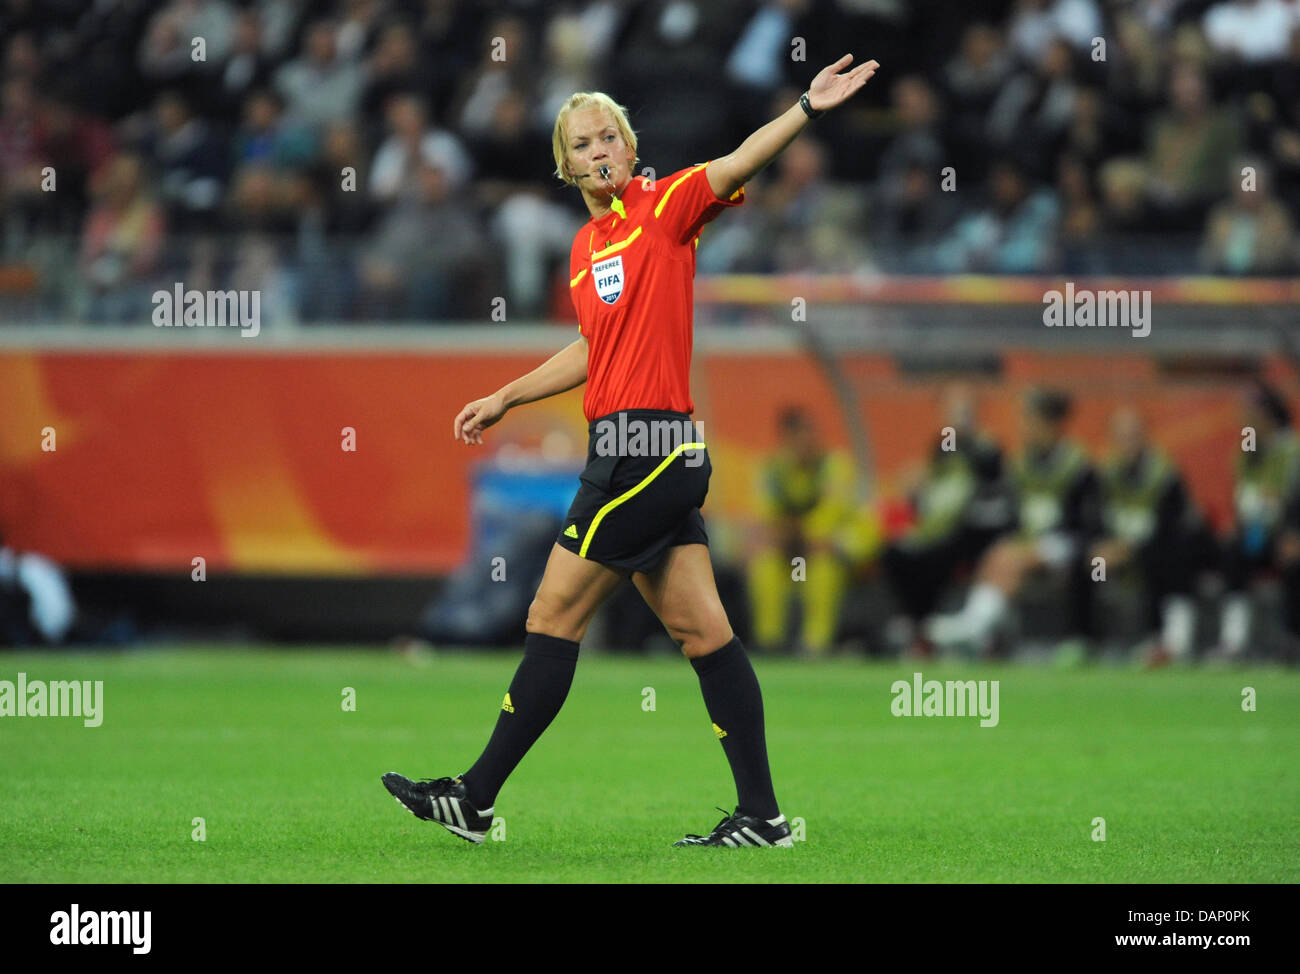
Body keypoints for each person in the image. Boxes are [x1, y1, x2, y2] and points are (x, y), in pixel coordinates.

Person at [382, 55, 880, 848]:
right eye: (583, 143)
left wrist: (807, 110)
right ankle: (764, 817)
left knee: (551, 611)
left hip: (645, 451)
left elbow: (739, 161)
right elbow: (594, 346)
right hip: (640, 454)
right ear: (565, 163)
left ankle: (474, 800)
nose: (600, 149)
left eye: (609, 134)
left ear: (629, 143)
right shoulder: (586, 248)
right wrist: (509, 394)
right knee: (704, 635)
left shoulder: (665, 205)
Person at [926, 388, 1100, 658]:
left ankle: (976, 626)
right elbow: (1010, 511)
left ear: (1050, 424)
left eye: (1030, 420)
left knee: (1010, 557)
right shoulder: (1020, 463)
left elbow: (1088, 520)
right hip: (1031, 542)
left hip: (1067, 543)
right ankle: (981, 630)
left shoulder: (1077, 464)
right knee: (997, 553)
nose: (1024, 428)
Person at [747, 406, 873, 656]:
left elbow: (826, 524)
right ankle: (770, 643)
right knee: (764, 566)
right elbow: (766, 523)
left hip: (836, 550)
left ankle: (815, 644)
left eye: (811, 433)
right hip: (793, 554)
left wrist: (792, 532)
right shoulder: (772, 471)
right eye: (800, 435)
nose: (808, 441)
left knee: (823, 568)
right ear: (786, 438)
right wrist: (782, 536)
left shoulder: (834, 465)